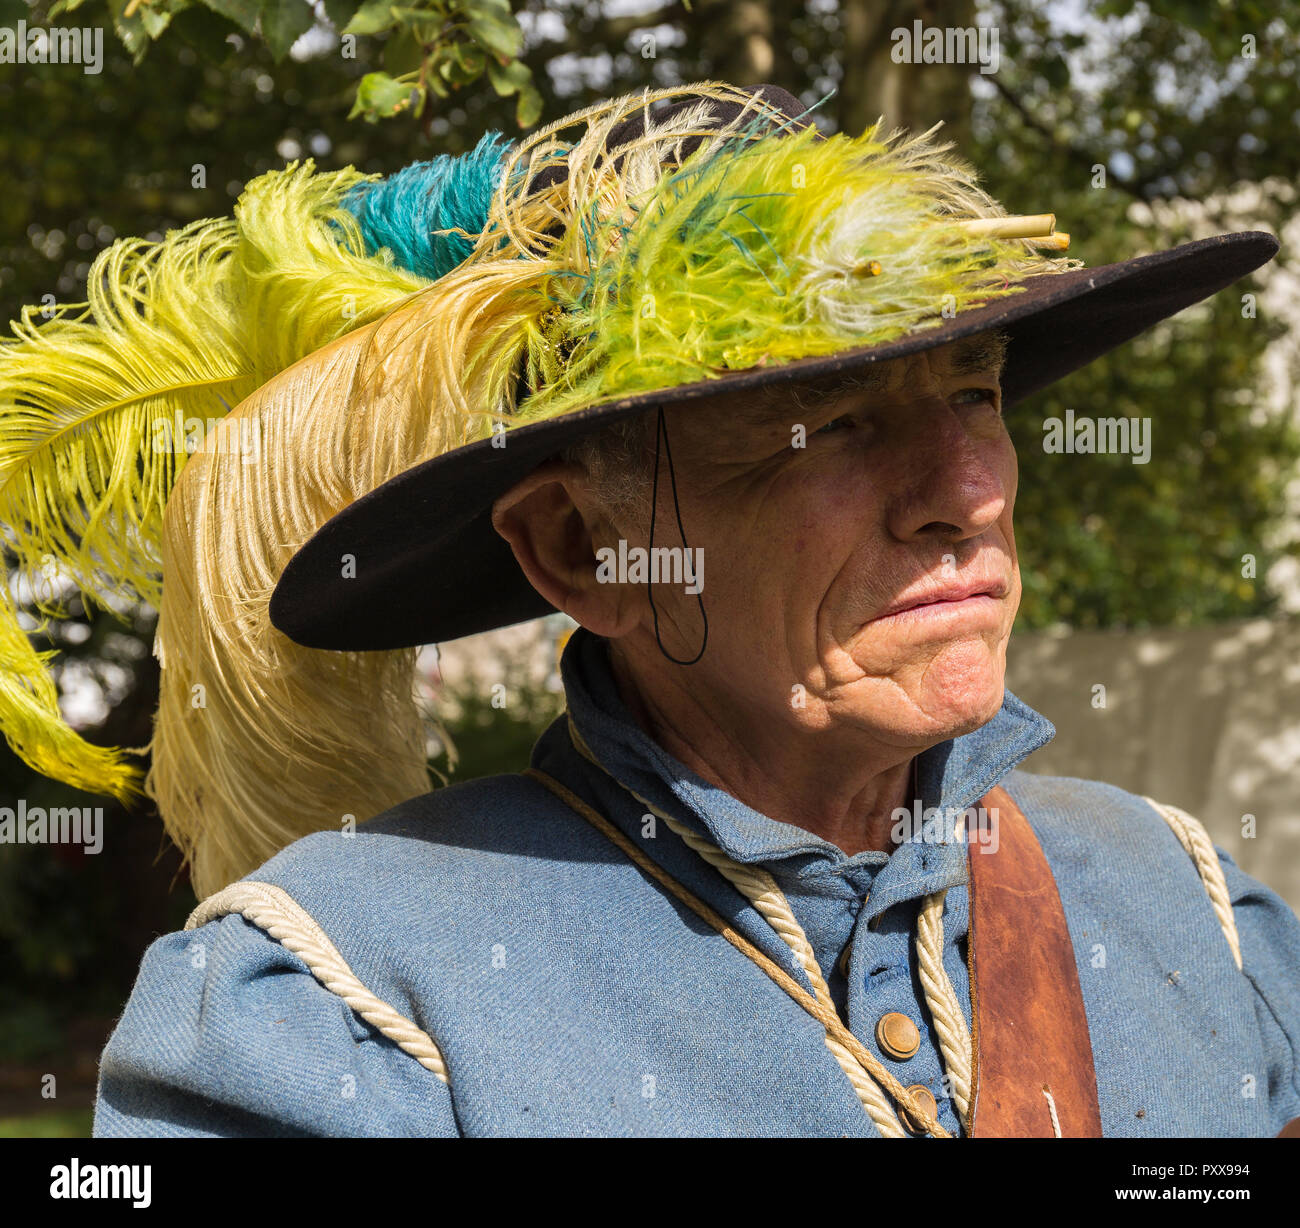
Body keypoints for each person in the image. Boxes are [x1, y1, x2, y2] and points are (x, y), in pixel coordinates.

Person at [2, 82, 1294, 1137]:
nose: (964, 492)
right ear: (578, 548)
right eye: (833, 422)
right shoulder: (334, 1015)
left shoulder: (1190, 908)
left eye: (974, 391)